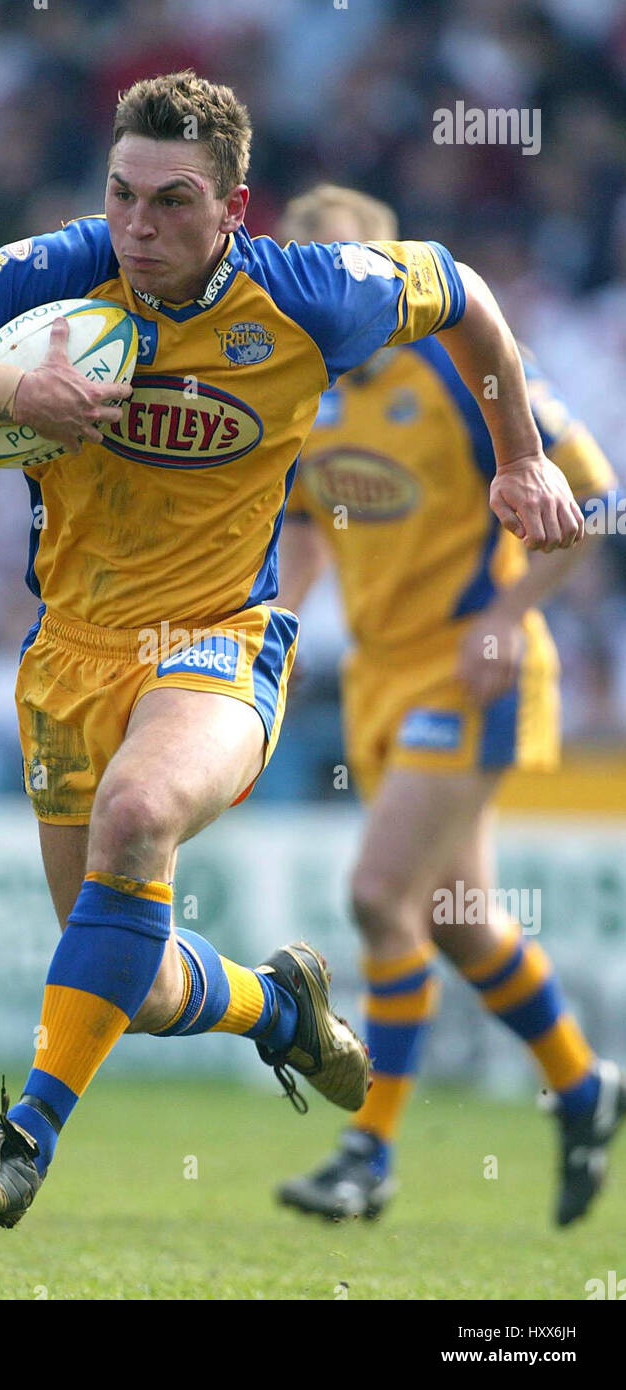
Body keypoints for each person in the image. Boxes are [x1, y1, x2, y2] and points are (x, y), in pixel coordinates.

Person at [0, 73, 582, 1230]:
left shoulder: (309, 296)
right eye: (122, 195)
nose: (138, 227)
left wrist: (520, 456)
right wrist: (6, 386)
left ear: (233, 209)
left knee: (140, 817)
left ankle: (21, 1142)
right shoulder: (58, 269)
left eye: (172, 202)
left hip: (219, 644)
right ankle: (277, 1013)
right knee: (121, 972)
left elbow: (464, 292)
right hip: (66, 652)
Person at [273, 184, 623, 1228]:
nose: (327, 293)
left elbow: (593, 496)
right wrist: (277, 634)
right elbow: (299, 523)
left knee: (378, 893)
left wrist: (504, 614)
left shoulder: (454, 362)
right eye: (307, 274)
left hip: (473, 667)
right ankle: (581, 1083)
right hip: (379, 674)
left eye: (346, 269)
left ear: (391, 277)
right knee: (456, 922)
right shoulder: (305, 387)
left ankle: (364, 1154)